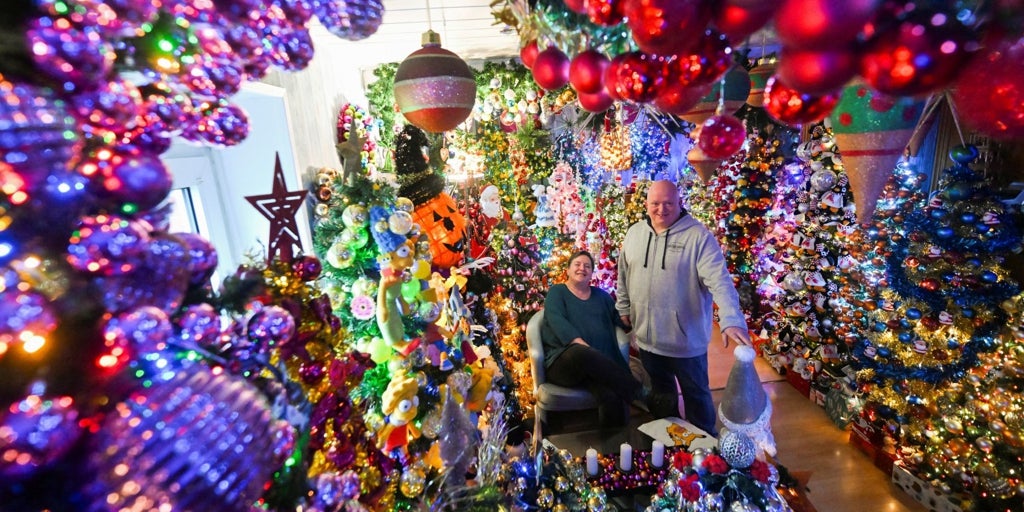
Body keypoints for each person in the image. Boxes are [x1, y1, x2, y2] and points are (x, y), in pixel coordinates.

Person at [616, 180, 751, 435]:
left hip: (685, 344)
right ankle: (670, 447)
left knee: (697, 400)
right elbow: (623, 274)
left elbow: (719, 281)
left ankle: (706, 450)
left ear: (680, 203)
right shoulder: (634, 234)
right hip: (648, 340)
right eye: (655, 203)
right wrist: (623, 307)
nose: (661, 209)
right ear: (646, 204)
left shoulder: (698, 237)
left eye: (668, 203)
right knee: (662, 400)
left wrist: (731, 318)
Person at [541, 251, 669, 427]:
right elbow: (556, 320)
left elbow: (620, 318)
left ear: (591, 273)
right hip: (563, 364)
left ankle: (615, 441)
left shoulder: (601, 296)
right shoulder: (557, 292)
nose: (582, 268)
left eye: (587, 266)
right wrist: (583, 346)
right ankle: (642, 394)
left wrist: (635, 326)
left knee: (611, 394)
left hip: (596, 367)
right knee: (581, 353)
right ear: (568, 270)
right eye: (577, 264)